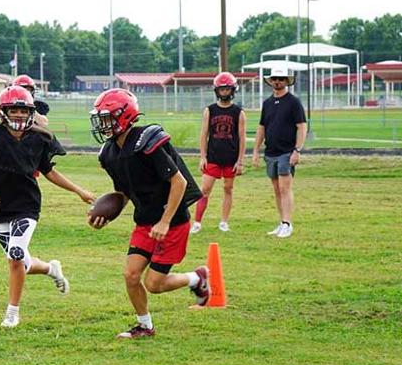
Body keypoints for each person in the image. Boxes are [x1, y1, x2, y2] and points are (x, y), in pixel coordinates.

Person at [0, 85, 96, 328]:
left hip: (26, 206)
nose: (19, 115)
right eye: (14, 110)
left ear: (31, 113)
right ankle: (51, 269)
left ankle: (12, 313)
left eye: (24, 111)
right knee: (22, 262)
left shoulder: (38, 138)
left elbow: (49, 172)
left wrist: (78, 191)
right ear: (2, 112)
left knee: (15, 257)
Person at [87, 88, 210, 339]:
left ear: (124, 116)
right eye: (100, 119)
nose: (102, 125)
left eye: (107, 118)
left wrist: (165, 221)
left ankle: (196, 279)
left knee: (154, 284)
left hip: (172, 221)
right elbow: (123, 192)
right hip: (144, 221)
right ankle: (145, 326)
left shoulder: (147, 142)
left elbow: (179, 182)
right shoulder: (109, 154)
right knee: (131, 275)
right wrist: (105, 214)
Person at [252, 67, 307, 238]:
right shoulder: (267, 103)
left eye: (281, 79)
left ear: (286, 81)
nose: (277, 82)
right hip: (270, 152)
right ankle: (282, 221)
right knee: (277, 189)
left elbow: (302, 127)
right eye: (275, 78)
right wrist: (256, 151)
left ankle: (287, 223)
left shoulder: (294, 102)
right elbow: (262, 127)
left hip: (287, 152)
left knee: (285, 188)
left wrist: (297, 150)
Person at [191, 72, 247, 234]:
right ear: (216, 91)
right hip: (213, 157)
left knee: (228, 188)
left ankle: (224, 222)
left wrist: (240, 161)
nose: (224, 92)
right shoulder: (209, 110)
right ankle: (197, 222)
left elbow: (242, 138)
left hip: (231, 158)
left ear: (233, 90)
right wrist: (202, 157)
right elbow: (204, 135)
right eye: (222, 89)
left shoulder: (238, 112)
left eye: (227, 89)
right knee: (205, 190)